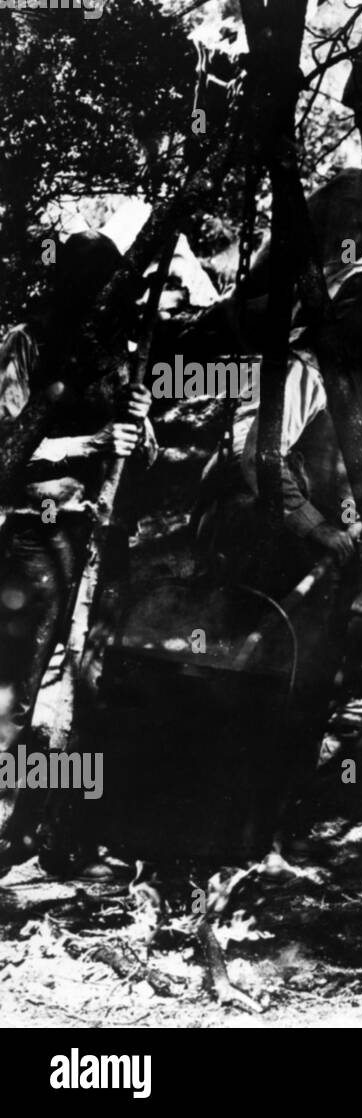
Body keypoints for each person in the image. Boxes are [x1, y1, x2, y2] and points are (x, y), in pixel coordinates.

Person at [192, 262, 362, 858]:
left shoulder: (346, 378)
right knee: (253, 686)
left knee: (306, 691)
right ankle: (224, 829)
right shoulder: (298, 371)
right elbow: (256, 455)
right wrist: (315, 527)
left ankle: (274, 825)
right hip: (268, 554)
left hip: (317, 563)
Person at [0, 232, 154, 874]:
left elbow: (141, 454)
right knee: (15, 688)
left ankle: (61, 834)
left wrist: (140, 426)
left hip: (101, 534)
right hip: (39, 533)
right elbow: (5, 451)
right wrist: (85, 444)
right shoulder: (26, 344)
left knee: (86, 685)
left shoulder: (119, 357)